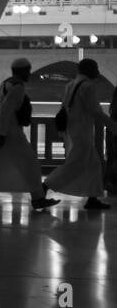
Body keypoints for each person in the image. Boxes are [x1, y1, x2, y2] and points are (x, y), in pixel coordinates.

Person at [0, 57, 58, 212]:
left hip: (0, 129)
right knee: (30, 163)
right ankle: (38, 198)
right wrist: (2, 134)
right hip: (10, 132)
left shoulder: (4, 84)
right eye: (28, 70)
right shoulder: (17, 87)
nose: (29, 73)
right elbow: (6, 110)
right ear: (22, 71)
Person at [44, 59, 117, 209]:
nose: (98, 71)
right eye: (95, 68)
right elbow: (96, 112)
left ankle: (92, 199)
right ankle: (44, 187)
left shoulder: (71, 85)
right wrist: (114, 126)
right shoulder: (88, 87)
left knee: (93, 164)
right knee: (74, 165)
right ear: (89, 70)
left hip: (73, 130)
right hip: (82, 131)